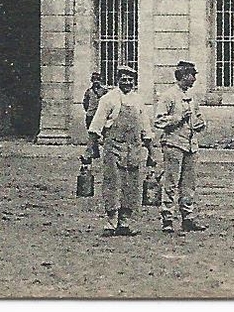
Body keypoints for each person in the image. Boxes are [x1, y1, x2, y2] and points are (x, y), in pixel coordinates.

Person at [88, 63, 154, 237]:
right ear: (118, 80)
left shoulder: (138, 100)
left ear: (134, 82)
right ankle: (111, 222)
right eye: (123, 80)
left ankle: (125, 222)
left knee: (131, 185)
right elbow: (96, 127)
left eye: (130, 80)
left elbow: (146, 128)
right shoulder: (108, 99)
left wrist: (151, 153)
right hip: (113, 147)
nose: (127, 83)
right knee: (112, 184)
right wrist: (89, 150)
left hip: (134, 148)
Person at [154, 60, 208, 233]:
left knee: (189, 184)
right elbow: (159, 120)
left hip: (190, 145)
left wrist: (200, 123)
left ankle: (188, 217)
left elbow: (197, 117)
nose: (194, 79)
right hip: (174, 144)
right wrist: (178, 118)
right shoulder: (168, 96)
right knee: (170, 183)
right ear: (184, 76)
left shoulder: (192, 97)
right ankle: (167, 219)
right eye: (193, 75)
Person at [81, 70, 107, 163]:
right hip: (90, 115)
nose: (96, 81)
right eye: (94, 79)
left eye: (98, 79)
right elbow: (85, 102)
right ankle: (95, 152)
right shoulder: (88, 92)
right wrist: (89, 111)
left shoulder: (104, 91)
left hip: (101, 116)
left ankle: (107, 152)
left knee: (104, 134)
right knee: (92, 134)